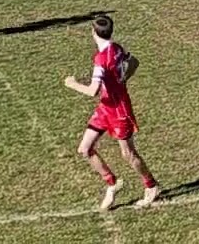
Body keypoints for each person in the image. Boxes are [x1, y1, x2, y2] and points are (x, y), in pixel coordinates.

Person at [64, 14, 160, 211]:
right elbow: (134, 62)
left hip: (119, 111)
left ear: (93, 32)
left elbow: (92, 90)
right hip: (106, 108)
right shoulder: (116, 48)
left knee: (128, 154)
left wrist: (72, 84)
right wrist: (124, 78)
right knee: (85, 149)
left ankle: (151, 186)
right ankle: (112, 183)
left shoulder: (101, 59)